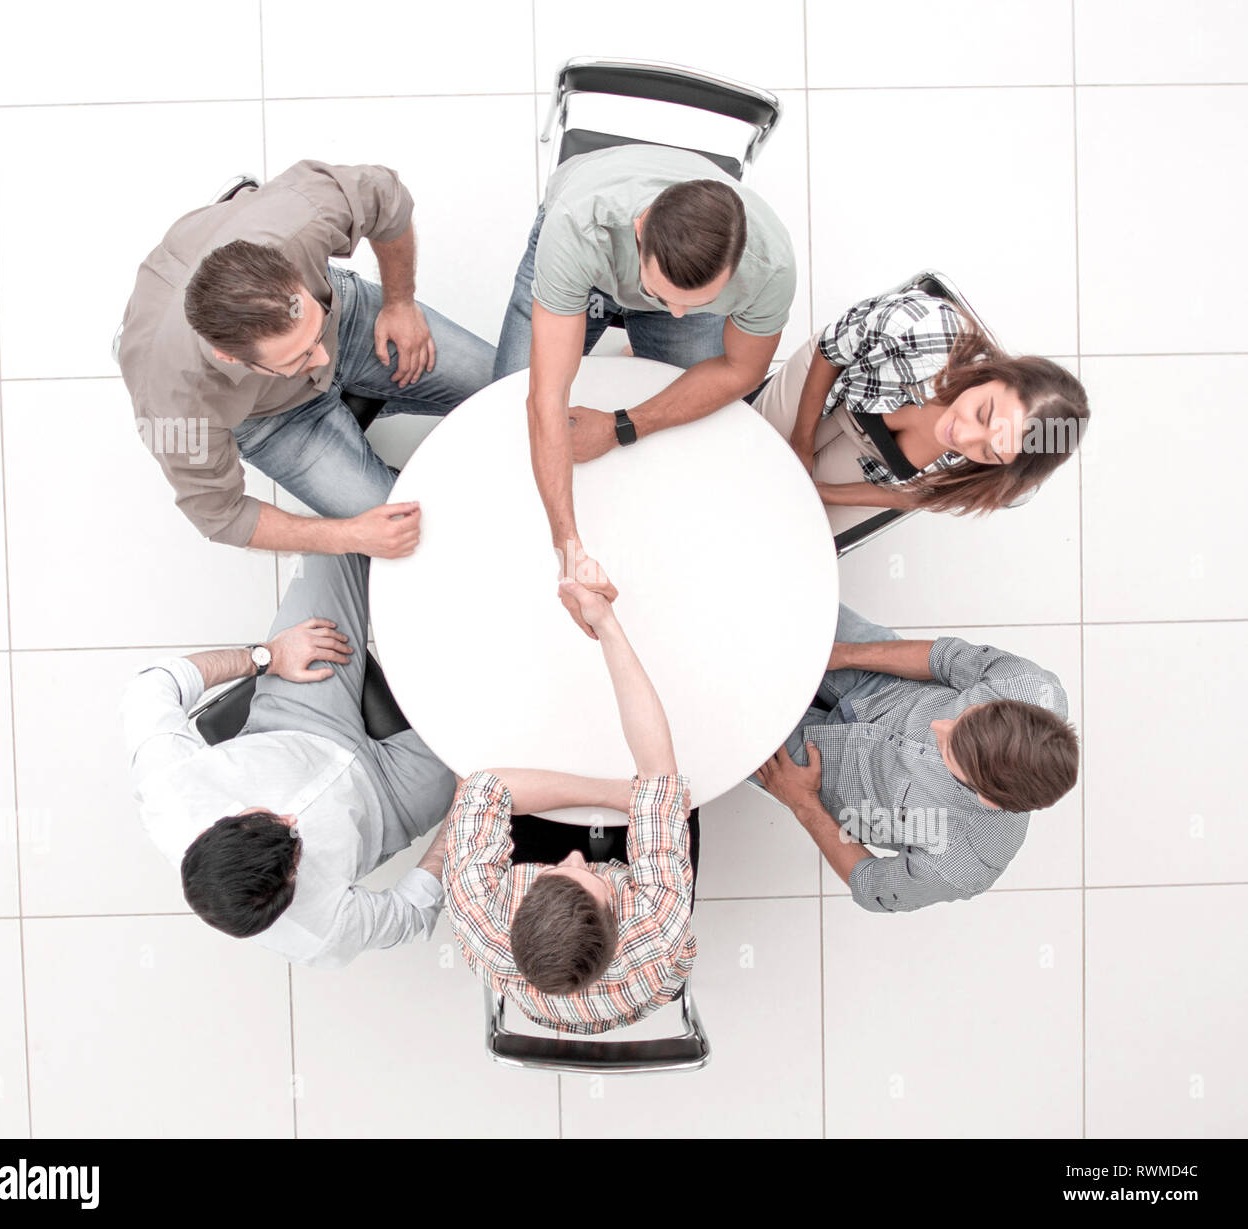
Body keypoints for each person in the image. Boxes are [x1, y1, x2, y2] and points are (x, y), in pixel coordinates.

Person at [117, 160, 495, 557]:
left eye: (315, 335)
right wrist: (348, 536)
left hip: (347, 317)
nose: (324, 358)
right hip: (272, 420)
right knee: (413, 539)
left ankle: (320, 341)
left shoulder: (298, 220)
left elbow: (386, 196)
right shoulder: (175, 407)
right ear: (229, 358)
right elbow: (221, 517)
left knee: (510, 389)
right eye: (299, 358)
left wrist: (398, 302)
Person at [494, 144, 796, 635]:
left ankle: (651, 325)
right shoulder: (576, 226)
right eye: (661, 296)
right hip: (586, 268)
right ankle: (629, 313)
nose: (676, 314)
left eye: (696, 303)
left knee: (700, 427)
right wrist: (569, 551)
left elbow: (741, 371)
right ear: (639, 231)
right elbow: (545, 399)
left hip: (646, 266)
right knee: (507, 408)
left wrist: (622, 426)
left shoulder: (771, 267)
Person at [121, 551, 455, 967]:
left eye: (270, 817)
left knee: (334, 540)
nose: (293, 820)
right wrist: (464, 817)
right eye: (295, 851)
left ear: (223, 822)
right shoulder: (314, 935)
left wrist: (266, 656)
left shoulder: (170, 791)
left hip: (298, 717)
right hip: (392, 800)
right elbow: (410, 912)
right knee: (499, 744)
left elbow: (154, 684)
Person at [443, 581, 697, 1034]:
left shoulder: (479, 917)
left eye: (554, 870)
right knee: (680, 791)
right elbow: (659, 776)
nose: (577, 855)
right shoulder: (656, 927)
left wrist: (610, 795)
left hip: (575, 993)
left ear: (516, 912)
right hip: (645, 969)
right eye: (588, 873)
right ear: (618, 918)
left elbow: (484, 787)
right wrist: (606, 623)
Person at [755, 605, 1078, 913]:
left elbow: (871, 885)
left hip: (820, 777)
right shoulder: (1026, 687)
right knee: (778, 606)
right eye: (964, 714)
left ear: (985, 798)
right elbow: (945, 659)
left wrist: (803, 802)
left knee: (719, 720)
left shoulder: (968, 860)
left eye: (948, 750)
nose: (938, 724)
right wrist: (842, 653)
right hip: (881, 682)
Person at [752, 284, 1089, 530]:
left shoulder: (1001, 481)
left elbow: (922, 494)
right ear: (998, 375)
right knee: (749, 460)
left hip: (877, 470)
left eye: (987, 451)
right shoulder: (923, 326)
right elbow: (830, 353)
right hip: (834, 384)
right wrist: (801, 444)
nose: (962, 436)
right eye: (983, 414)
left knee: (787, 531)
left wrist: (824, 494)